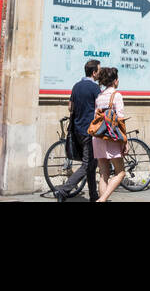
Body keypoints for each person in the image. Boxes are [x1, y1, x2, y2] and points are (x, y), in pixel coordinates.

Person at [54, 58, 100, 203]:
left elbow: (70, 107)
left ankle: (93, 196)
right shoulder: (95, 88)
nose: (99, 73)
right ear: (94, 72)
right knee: (87, 165)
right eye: (99, 70)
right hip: (89, 131)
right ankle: (64, 190)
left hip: (78, 130)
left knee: (91, 163)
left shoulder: (76, 86)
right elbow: (99, 109)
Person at [91, 67, 127, 202]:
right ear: (115, 81)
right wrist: (124, 142)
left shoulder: (99, 97)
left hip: (98, 137)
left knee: (103, 174)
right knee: (121, 172)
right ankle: (102, 199)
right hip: (111, 137)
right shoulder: (116, 95)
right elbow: (121, 120)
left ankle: (102, 199)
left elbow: (95, 116)